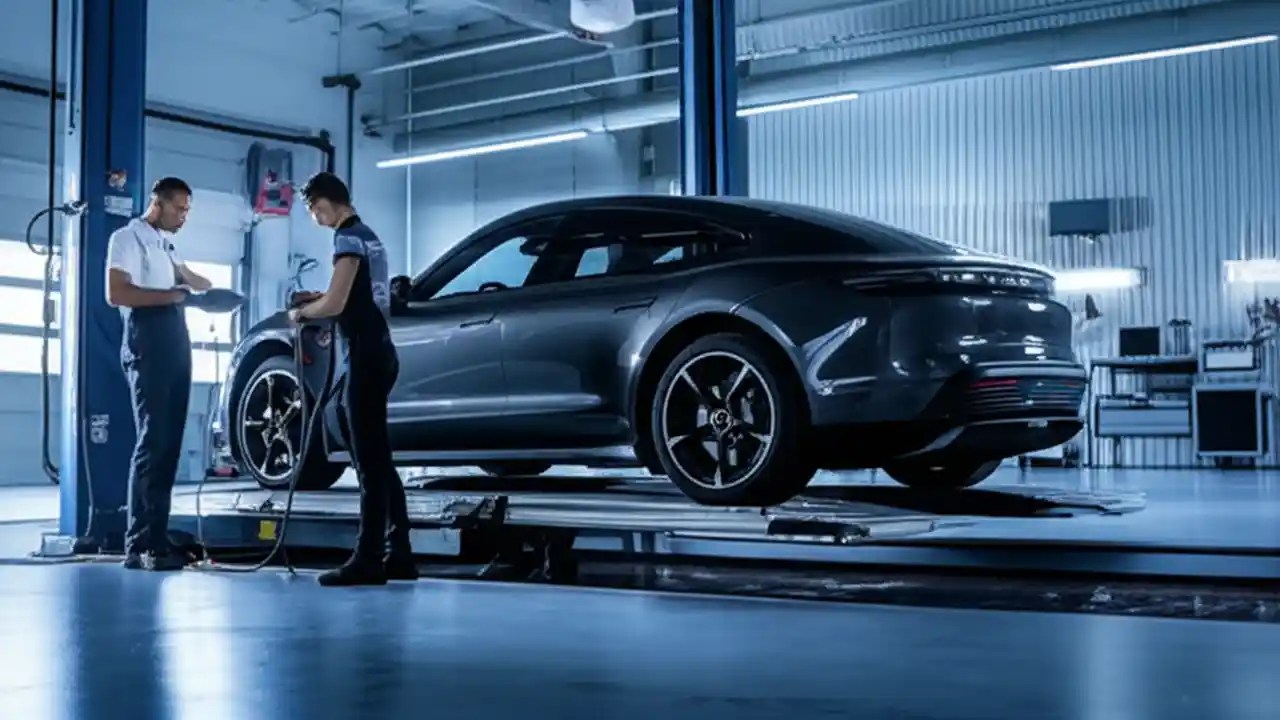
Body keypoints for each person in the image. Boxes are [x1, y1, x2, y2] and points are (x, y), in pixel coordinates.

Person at [291, 171, 416, 587]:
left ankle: (367, 558)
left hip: (365, 356)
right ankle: (399, 552)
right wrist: (320, 298)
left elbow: (339, 300)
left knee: (368, 460)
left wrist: (302, 312)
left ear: (321, 203)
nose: (314, 218)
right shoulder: (368, 235)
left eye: (312, 210)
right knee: (379, 457)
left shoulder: (345, 237)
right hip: (382, 350)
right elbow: (356, 294)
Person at [106, 177, 212, 571]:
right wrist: (174, 295)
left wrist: (206, 290)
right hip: (147, 336)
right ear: (158, 203)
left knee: (170, 442)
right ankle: (140, 544)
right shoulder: (127, 239)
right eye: (179, 209)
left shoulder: (166, 242)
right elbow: (117, 293)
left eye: (187, 210)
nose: (184, 216)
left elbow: (188, 277)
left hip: (174, 335)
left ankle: (158, 534)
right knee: (152, 441)